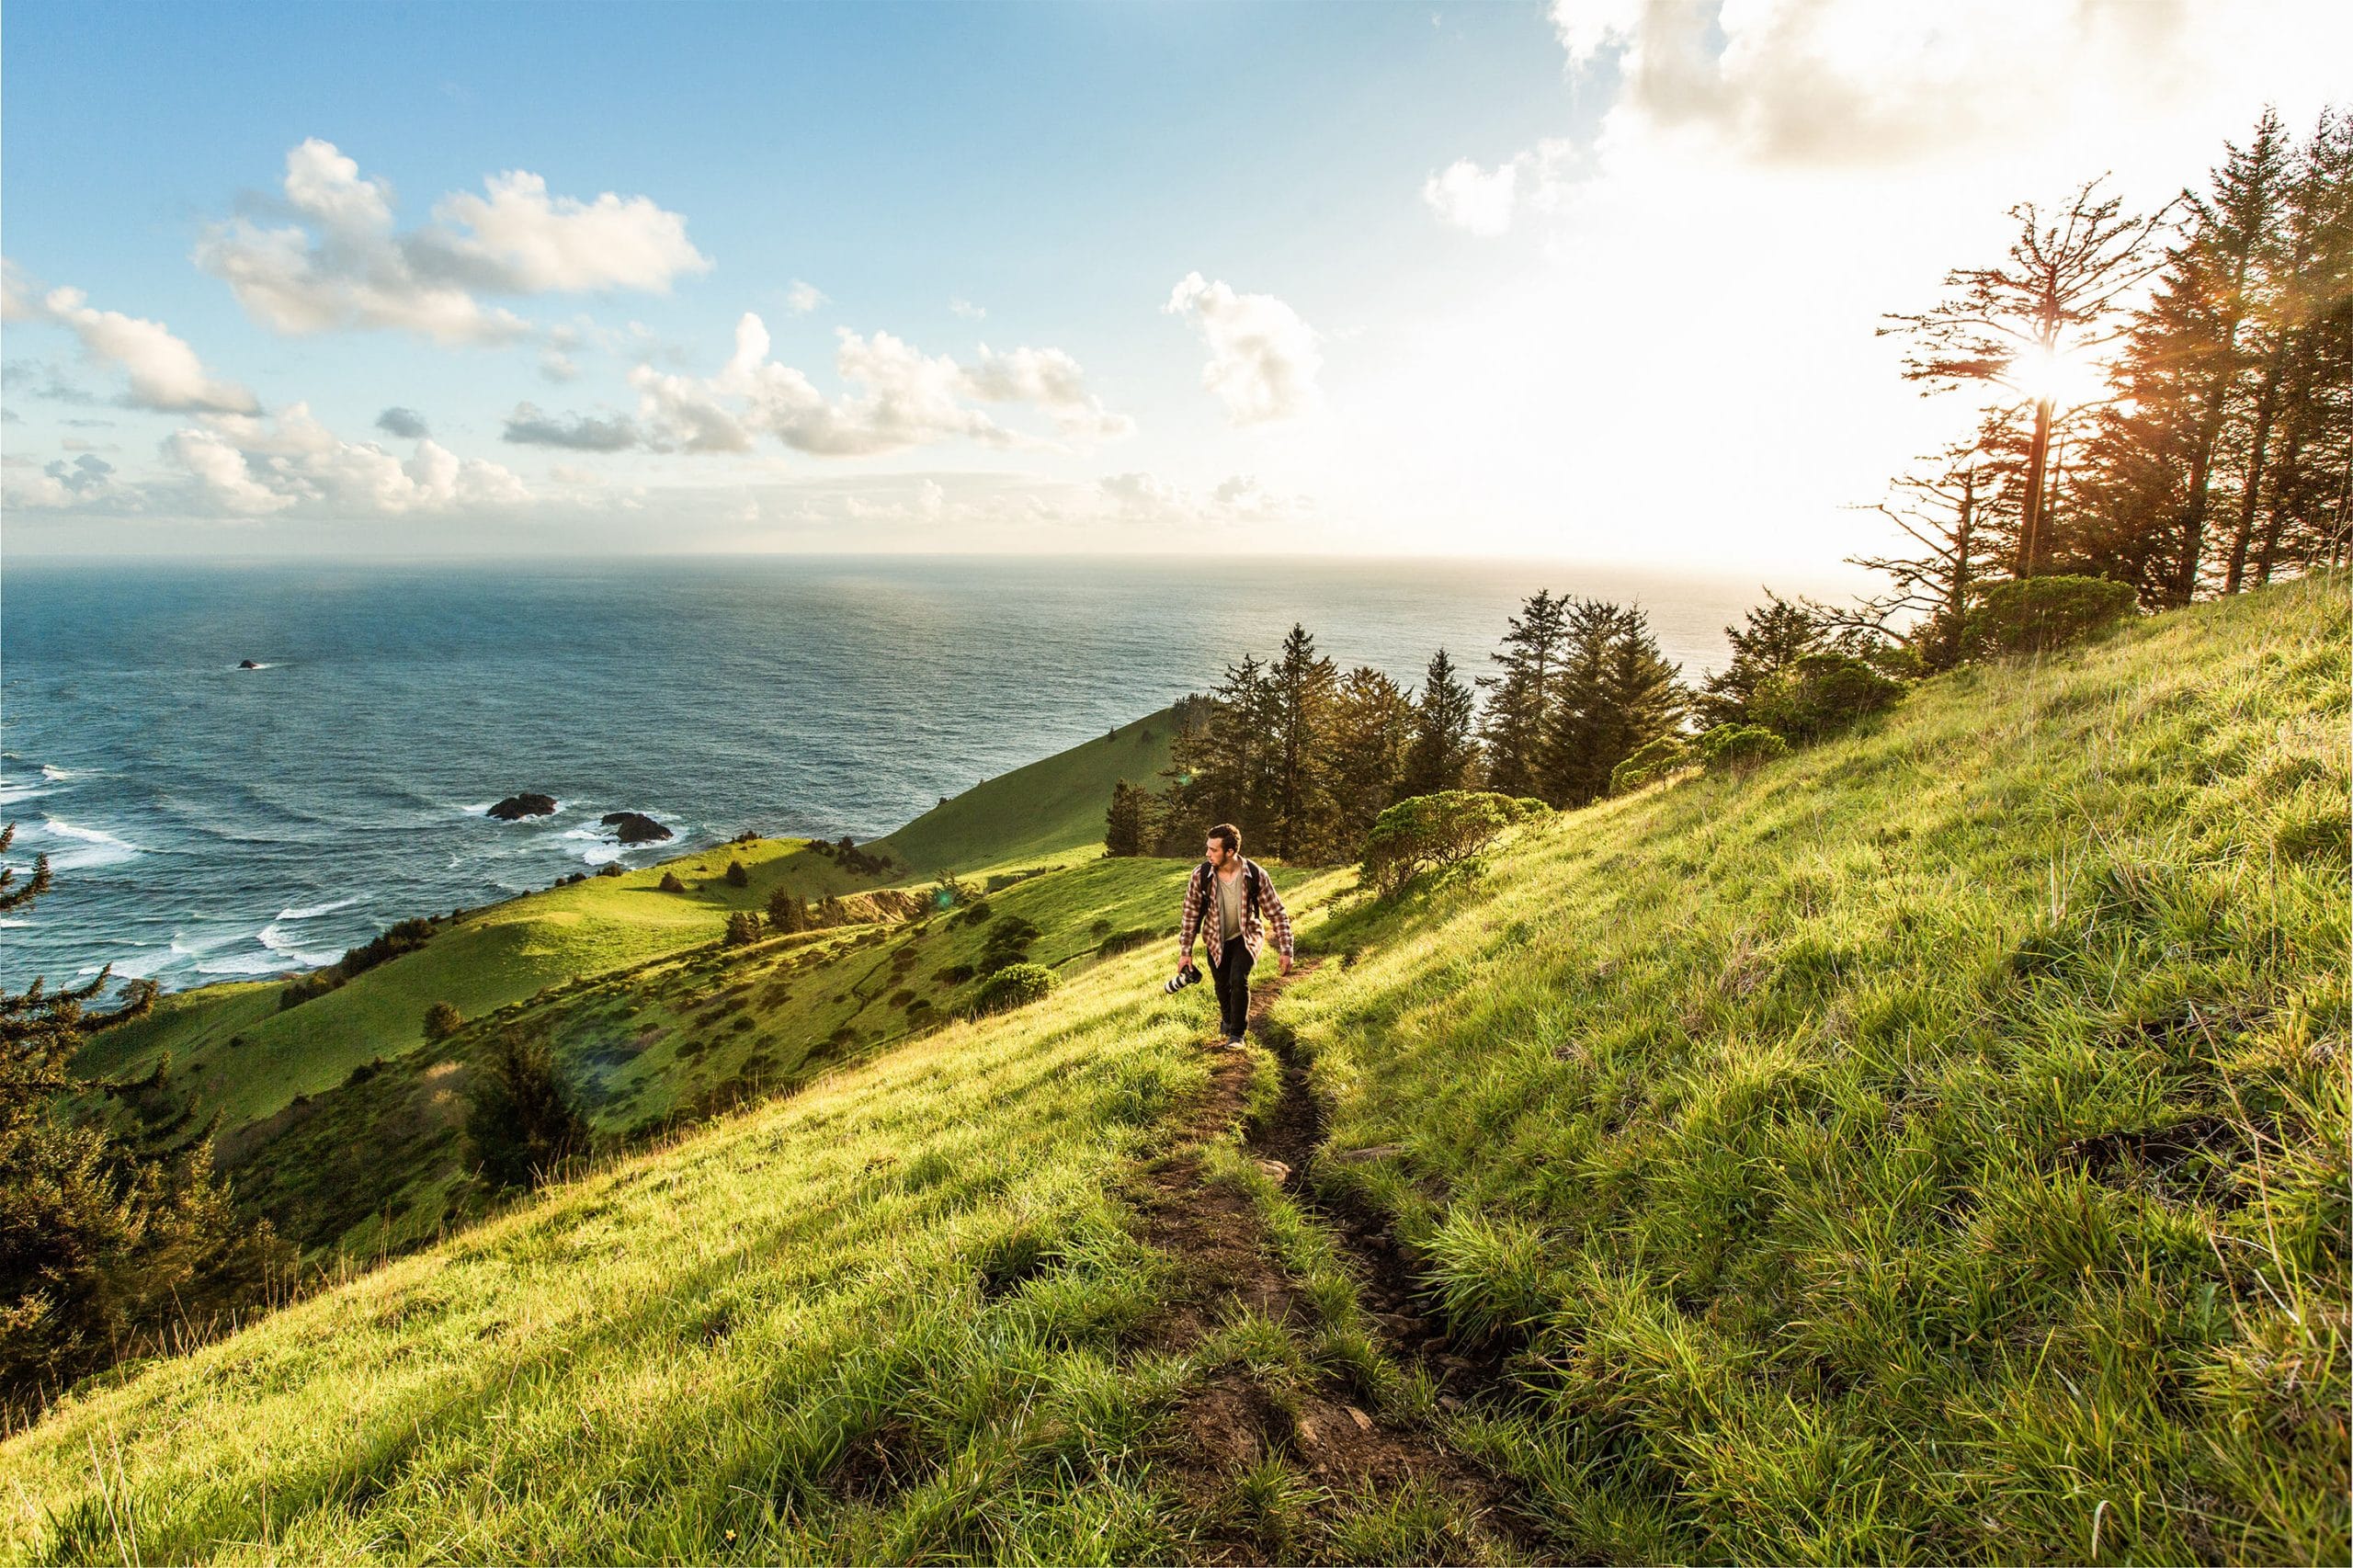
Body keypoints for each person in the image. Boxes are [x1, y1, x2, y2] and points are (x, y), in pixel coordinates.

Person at [1175, 822, 1293, 1050]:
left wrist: (1286, 949)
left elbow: (1277, 913)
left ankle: (1237, 1035)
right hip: (1214, 938)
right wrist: (1185, 953)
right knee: (1222, 985)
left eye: (1214, 849)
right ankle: (1228, 1020)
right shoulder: (1200, 876)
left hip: (1246, 936)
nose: (1207, 853)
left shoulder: (1255, 875)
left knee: (1239, 979)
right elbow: (1190, 916)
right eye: (1208, 848)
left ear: (1230, 851)